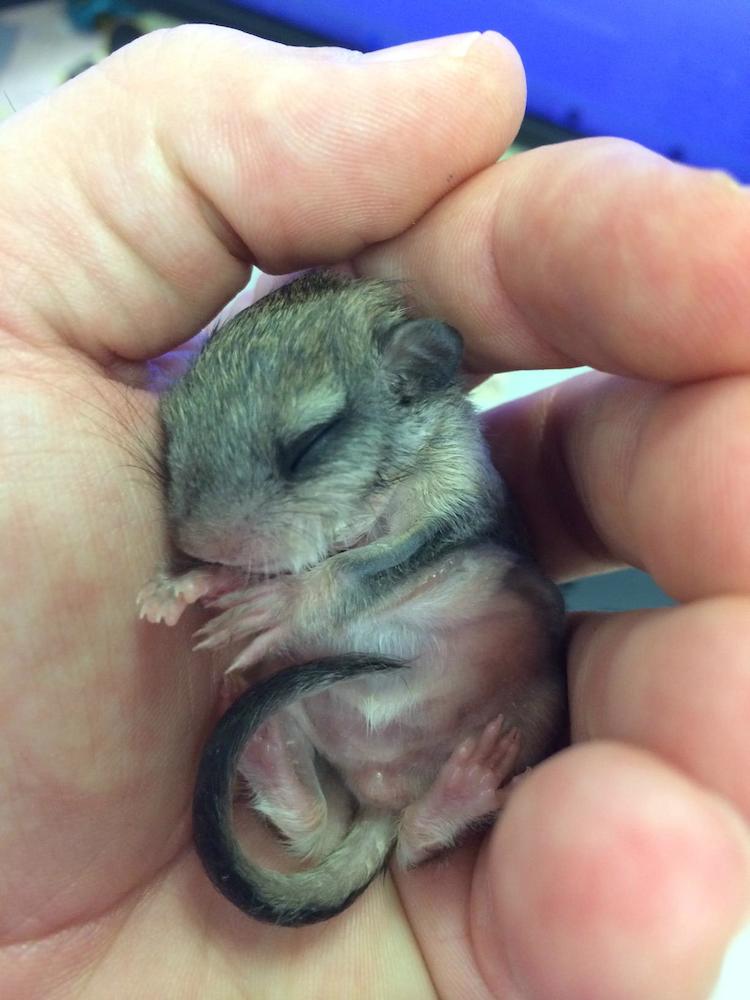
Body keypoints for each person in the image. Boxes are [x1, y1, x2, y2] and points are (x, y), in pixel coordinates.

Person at [0, 25, 747, 1000]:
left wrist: (305, 595)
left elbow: (419, 565)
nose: (206, 524)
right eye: (183, 456)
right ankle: (316, 821)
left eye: (305, 448)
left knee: (521, 625)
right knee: (295, 695)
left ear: (415, 385)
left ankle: (427, 822)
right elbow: (276, 577)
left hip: (447, 707)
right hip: (351, 749)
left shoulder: (438, 461)